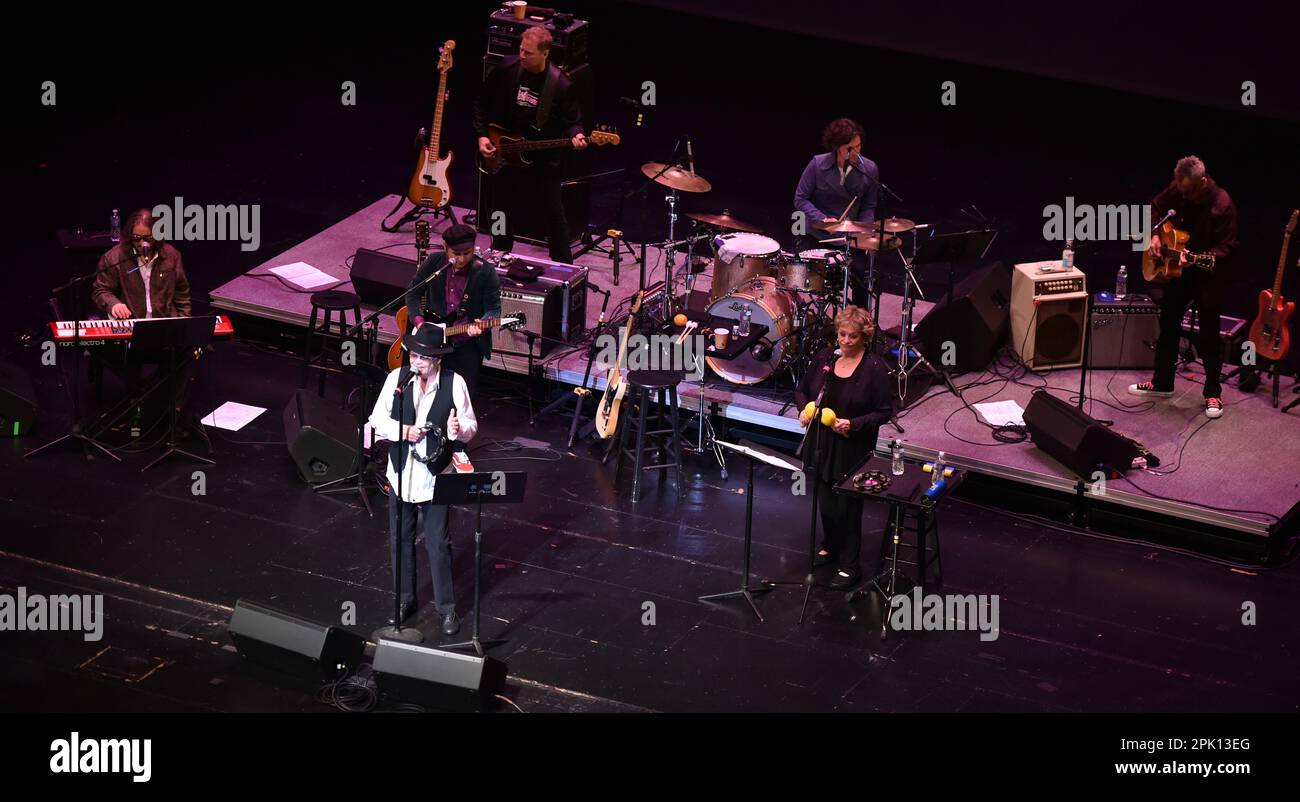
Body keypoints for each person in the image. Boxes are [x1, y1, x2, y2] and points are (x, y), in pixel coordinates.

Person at [369, 325, 478, 635]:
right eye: (413, 355)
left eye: (422, 357)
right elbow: (376, 420)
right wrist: (403, 431)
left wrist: (458, 431)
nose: (415, 361)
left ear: (437, 359)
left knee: (438, 544)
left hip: (436, 477)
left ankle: (446, 609)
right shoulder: (397, 379)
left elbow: (470, 426)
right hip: (402, 473)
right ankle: (405, 600)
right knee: (399, 540)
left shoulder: (454, 383)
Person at [1129, 156, 1238, 419]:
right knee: (1168, 324)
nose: (1184, 196)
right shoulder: (1179, 188)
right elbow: (1155, 206)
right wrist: (1155, 235)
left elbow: (1227, 248)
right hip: (1177, 271)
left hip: (1207, 274)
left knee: (1209, 334)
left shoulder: (1223, 205)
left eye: (1189, 191)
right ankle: (1162, 382)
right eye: (1181, 190)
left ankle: (1213, 392)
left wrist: (1203, 257)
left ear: (1203, 182)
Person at [794, 306, 895, 589]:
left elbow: (884, 411)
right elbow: (801, 390)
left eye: (853, 336)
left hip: (852, 445)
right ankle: (831, 545)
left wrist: (853, 424)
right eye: (842, 334)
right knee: (826, 500)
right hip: (822, 441)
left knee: (848, 507)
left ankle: (851, 565)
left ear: (864, 338)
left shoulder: (874, 368)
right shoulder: (825, 358)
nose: (846, 341)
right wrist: (804, 409)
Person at [473, 26, 587, 264]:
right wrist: (482, 135)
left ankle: (564, 267)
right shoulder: (507, 68)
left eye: (528, 52)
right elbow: (481, 101)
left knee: (554, 215)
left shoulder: (561, 84)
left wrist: (577, 135)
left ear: (545, 53)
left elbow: (573, 121)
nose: (522, 55)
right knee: (500, 210)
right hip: (505, 152)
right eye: (521, 49)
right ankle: (499, 253)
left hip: (542, 160)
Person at [405, 223, 502, 395]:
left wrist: (482, 323)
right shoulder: (434, 262)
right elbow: (413, 293)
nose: (462, 259)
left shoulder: (486, 271)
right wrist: (419, 322)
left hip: (465, 343)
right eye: (456, 254)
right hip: (432, 341)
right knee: (420, 392)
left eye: (467, 253)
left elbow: (494, 309)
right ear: (445, 248)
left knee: (459, 396)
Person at [793, 118, 880, 307]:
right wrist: (823, 219)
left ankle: (859, 319)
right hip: (818, 235)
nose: (856, 152)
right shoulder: (817, 164)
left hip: (849, 237)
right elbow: (800, 198)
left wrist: (864, 231)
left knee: (863, 275)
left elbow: (868, 206)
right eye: (850, 148)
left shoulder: (870, 169)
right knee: (796, 272)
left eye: (858, 146)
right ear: (837, 147)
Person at [92, 208, 191, 319]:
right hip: (130, 322)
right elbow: (101, 290)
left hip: (164, 322)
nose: (142, 243)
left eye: (148, 238)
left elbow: (182, 294)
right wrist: (114, 304)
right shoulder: (113, 258)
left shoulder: (172, 256)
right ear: (130, 235)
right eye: (136, 238)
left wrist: (184, 322)